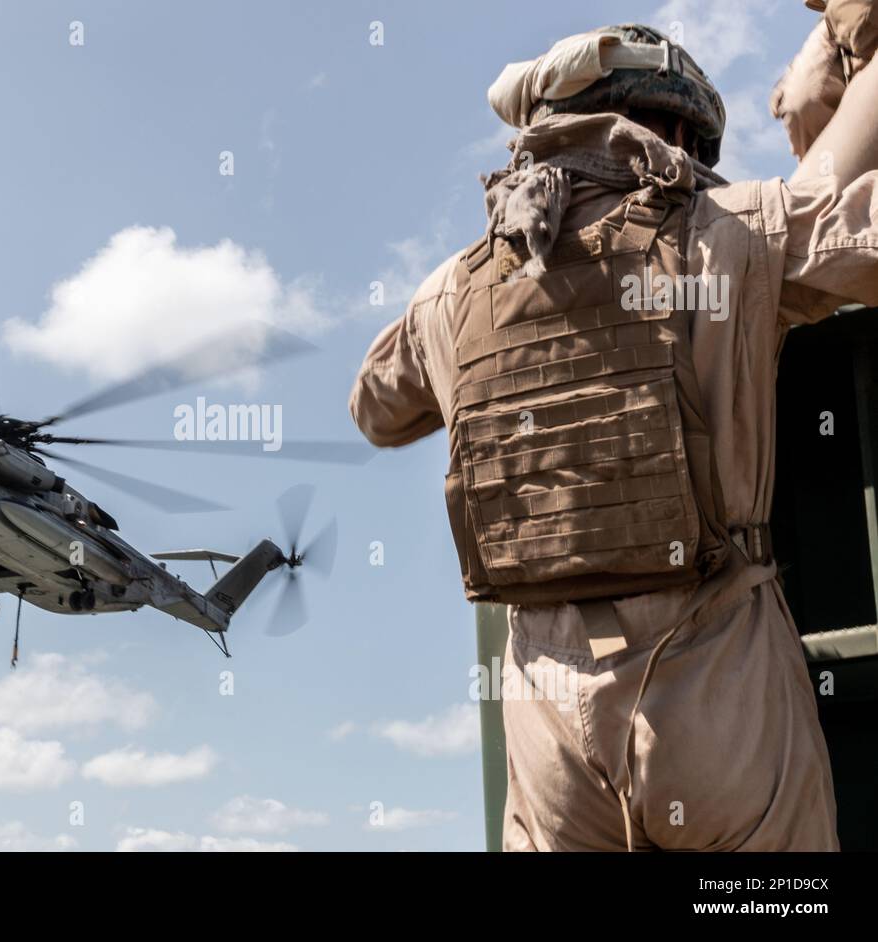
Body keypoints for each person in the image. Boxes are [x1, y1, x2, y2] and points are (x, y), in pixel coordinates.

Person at [349, 18, 878, 850]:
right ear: (667, 129)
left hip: (547, 727)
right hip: (715, 693)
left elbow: (374, 408)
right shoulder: (734, 231)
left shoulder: (447, 296)